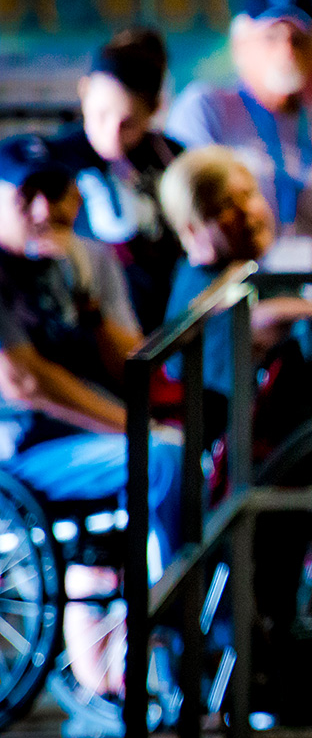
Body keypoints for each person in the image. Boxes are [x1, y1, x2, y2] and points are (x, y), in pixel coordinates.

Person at [0, 134, 183, 571]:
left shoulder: (91, 259)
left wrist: (90, 305)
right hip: (22, 450)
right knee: (161, 456)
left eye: (55, 192)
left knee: (193, 448)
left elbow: (132, 369)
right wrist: (135, 428)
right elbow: (25, 382)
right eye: (27, 195)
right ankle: (179, 614)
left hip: (94, 440)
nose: (45, 210)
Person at [157, 145, 312, 447]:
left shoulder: (256, 274)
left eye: (249, 194)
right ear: (192, 228)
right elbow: (255, 319)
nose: (248, 211)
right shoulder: (202, 285)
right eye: (226, 205)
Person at [165, 0, 312, 272]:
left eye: (298, 39)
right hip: (232, 301)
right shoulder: (205, 110)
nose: (286, 51)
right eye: (271, 37)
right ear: (240, 45)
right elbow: (192, 230)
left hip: (310, 306)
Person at [44, 27, 183, 331]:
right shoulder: (50, 160)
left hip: (160, 323)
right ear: (84, 92)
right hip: (83, 327)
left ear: (154, 111)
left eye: (128, 123)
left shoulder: (172, 159)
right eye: (101, 115)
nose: (111, 135)